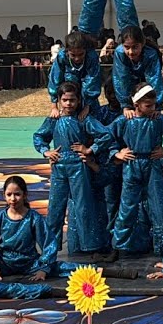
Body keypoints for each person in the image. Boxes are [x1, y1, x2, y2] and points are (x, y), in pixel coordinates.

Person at [0, 176, 138, 281]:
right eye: (9, 194)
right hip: (5, 264)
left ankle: (109, 272)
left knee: (67, 268)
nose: (13, 199)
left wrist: (43, 268)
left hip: (29, 263)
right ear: (4, 196)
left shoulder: (33, 218)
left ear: (25, 195)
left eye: (17, 194)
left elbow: (49, 244)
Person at [102, 85, 163, 260]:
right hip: (132, 165)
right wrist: (116, 153)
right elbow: (104, 136)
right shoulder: (124, 121)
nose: (153, 109)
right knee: (127, 208)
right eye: (148, 106)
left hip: (153, 165)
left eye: (154, 105)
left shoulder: (158, 120)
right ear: (136, 104)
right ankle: (119, 247)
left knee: (160, 206)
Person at [34, 82, 113, 256]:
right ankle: (50, 248)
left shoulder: (84, 119)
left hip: (79, 166)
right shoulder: (53, 120)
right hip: (59, 167)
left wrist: (90, 150)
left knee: (83, 206)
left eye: (72, 100)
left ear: (79, 101)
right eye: (65, 100)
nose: (68, 104)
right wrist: (46, 152)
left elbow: (106, 135)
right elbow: (39, 136)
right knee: (55, 207)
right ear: (59, 101)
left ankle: (90, 246)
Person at [47, 31, 103, 120]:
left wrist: (87, 107)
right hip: (70, 92)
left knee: (91, 119)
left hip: (88, 97)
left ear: (86, 50)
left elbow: (93, 80)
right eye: (73, 55)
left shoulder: (91, 57)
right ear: (67, 51)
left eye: (81, 54)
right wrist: (54, 107)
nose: (77, 58)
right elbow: (55, 79)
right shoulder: (62, 56)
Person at [112, 25, 163, 118]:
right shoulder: (119, 53)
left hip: (144, 81)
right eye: (127, 47)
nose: (131, 52)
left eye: (135, 47)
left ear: (142, 43)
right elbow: (121, 78)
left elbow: (155, 79)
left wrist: (156, 107)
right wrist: (126, 106)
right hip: (127, 82)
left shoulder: (150, 54)